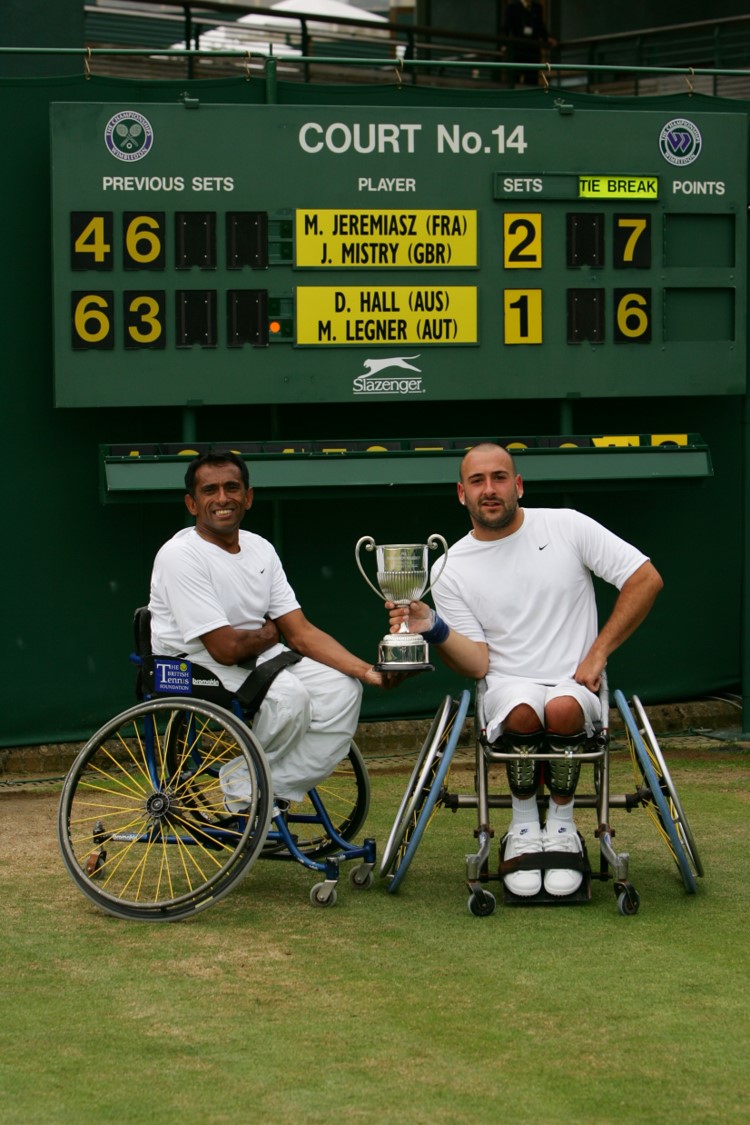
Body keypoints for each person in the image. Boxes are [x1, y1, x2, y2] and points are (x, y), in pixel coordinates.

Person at [388, 442, 663, 898]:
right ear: (462, 493)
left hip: (573, 684)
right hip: (505, 687)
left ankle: (561, 826)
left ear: (518, 485)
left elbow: (645, 578)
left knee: (560, 708)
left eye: (499, 478)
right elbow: (477, 663)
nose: (489, 489)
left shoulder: (566, 525)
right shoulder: (448, 568)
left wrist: (597, 654)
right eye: (477, 481)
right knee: (521, 710)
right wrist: (431, 626)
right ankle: (521, 828)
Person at [149, 450, 390, 809]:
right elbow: (225, 649)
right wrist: (266, 635)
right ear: (192, 503)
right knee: (288, 698)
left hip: (255, 656)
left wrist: (367, 671)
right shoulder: (179, 555)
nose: (222, 499)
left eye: (232, 488)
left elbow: (300, 632)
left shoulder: (261, 548)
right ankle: (250, 792)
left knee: (342, 689)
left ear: (247, 497)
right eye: (209, 490)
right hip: (189, 662)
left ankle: (255, 787)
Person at [502, 0, 557, 87]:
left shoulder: (537, 7)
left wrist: (547, 38)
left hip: (532, 51)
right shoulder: (512, 7)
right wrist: (504, 45)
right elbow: (506, 28)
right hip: (517, 51)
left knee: (531, 81)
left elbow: (540, 25)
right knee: (514, 80)